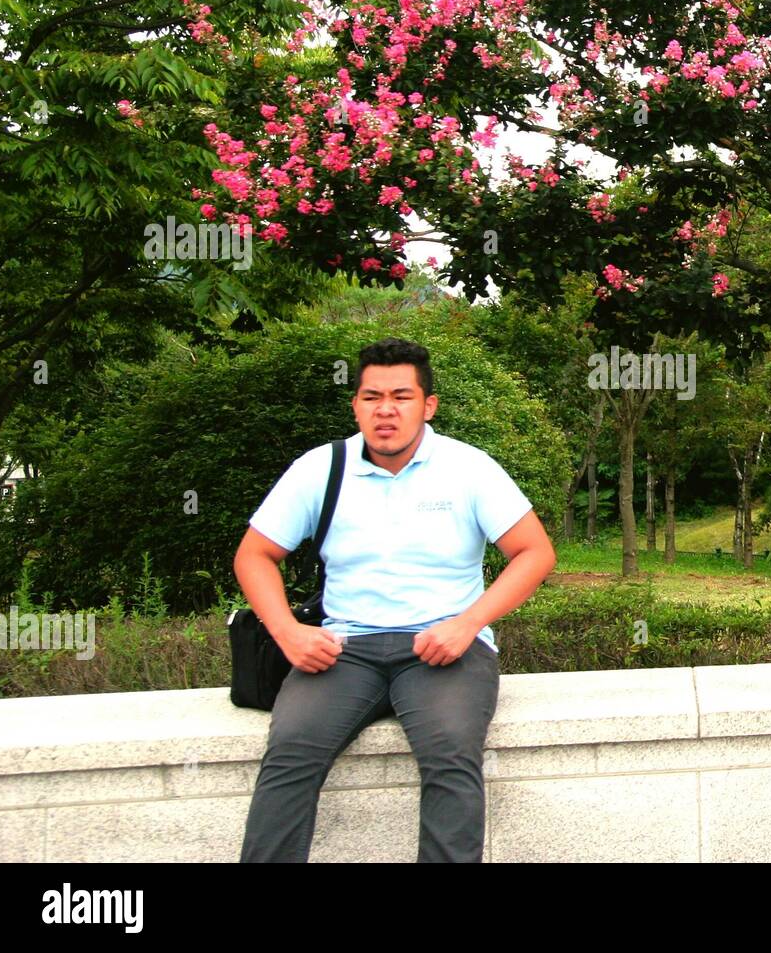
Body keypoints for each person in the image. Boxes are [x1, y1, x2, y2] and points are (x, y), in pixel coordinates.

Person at [234, 336, 556, 862]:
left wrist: (466, 625)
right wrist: (289, 633)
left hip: (444, 649)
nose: (386, 410)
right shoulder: (320, 468)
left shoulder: (468, 468)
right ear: (356, 404)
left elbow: (534, 553)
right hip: (345, 649)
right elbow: (254, 555)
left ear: (427, 406)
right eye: (372, 397)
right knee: (290, 754)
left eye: (402, 397)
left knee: (451, 757)